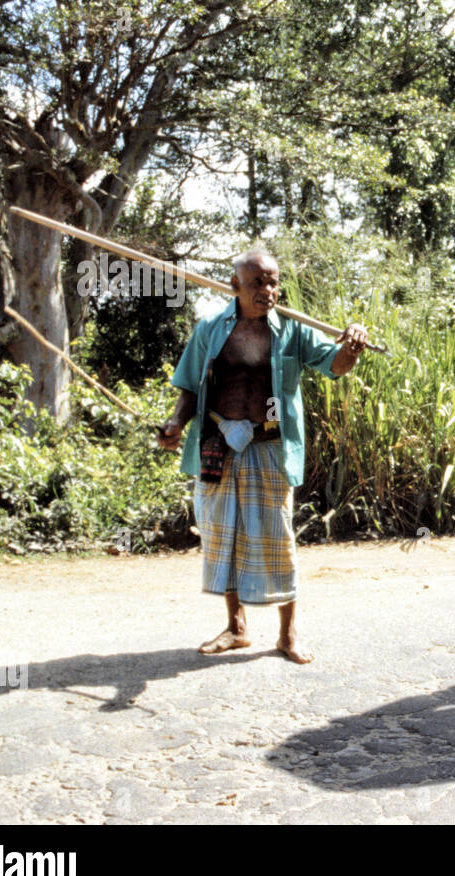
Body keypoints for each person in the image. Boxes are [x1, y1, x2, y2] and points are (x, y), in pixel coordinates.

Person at [157, 247, 367, 663]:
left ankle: (287, 636)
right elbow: (189, 388)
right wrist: (176, 424)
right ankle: (236, 628)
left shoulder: (292, 330)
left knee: (278, 539)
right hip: (216, 443)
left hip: (269, 444)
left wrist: (352, 348)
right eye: (257, 282)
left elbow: (335, 365)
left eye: (273, 281)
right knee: (223, 538)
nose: (267, 290)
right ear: (235, 285)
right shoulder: (210, 330)